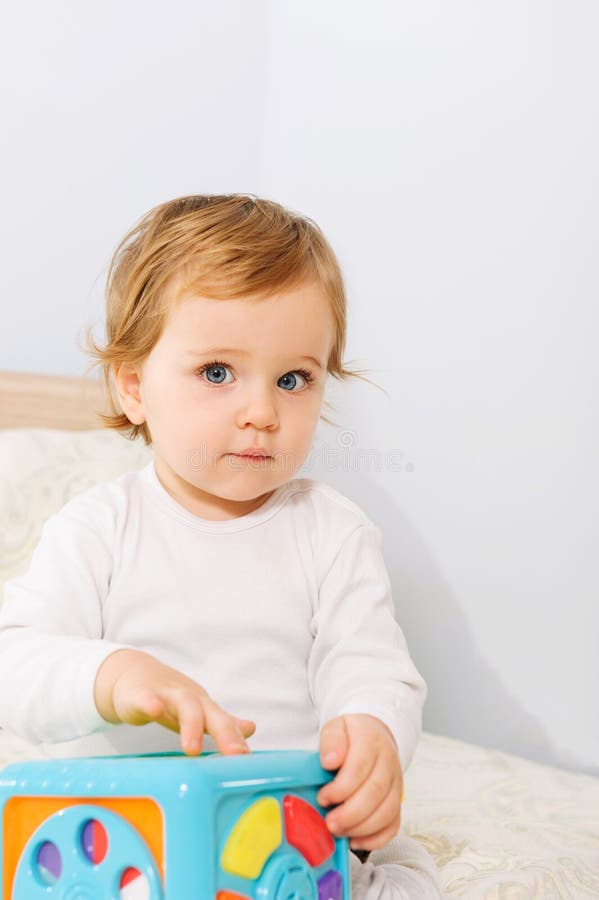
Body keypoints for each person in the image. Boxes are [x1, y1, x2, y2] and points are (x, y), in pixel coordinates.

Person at [0, 194, 442, 898]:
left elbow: (370, 666)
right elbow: (14, 660)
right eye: (216, 373)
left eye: (292, 379)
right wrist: (114, 675)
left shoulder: (333, 532)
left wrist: (371, 734)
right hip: (133, 846)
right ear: (135, 385)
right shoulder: (99, 528)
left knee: (398, 876)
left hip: (282, 837)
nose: (262, 412)